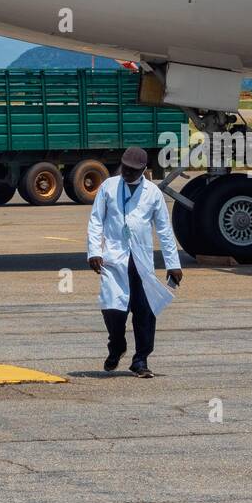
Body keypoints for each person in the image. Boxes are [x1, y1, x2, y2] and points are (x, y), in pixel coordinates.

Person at [86, 146, 182, 379]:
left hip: (141, 262)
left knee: (145, 313)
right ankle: (117, 346)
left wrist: (173, 263)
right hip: (113, 258)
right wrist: (93, 251)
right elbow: (96, 220)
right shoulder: (109, 187)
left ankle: (140, 361)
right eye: (125, 167)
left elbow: (164, 230)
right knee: (112, 309)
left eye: (132, 170)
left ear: (143, 170)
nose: (127, 172)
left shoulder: (153, 193)